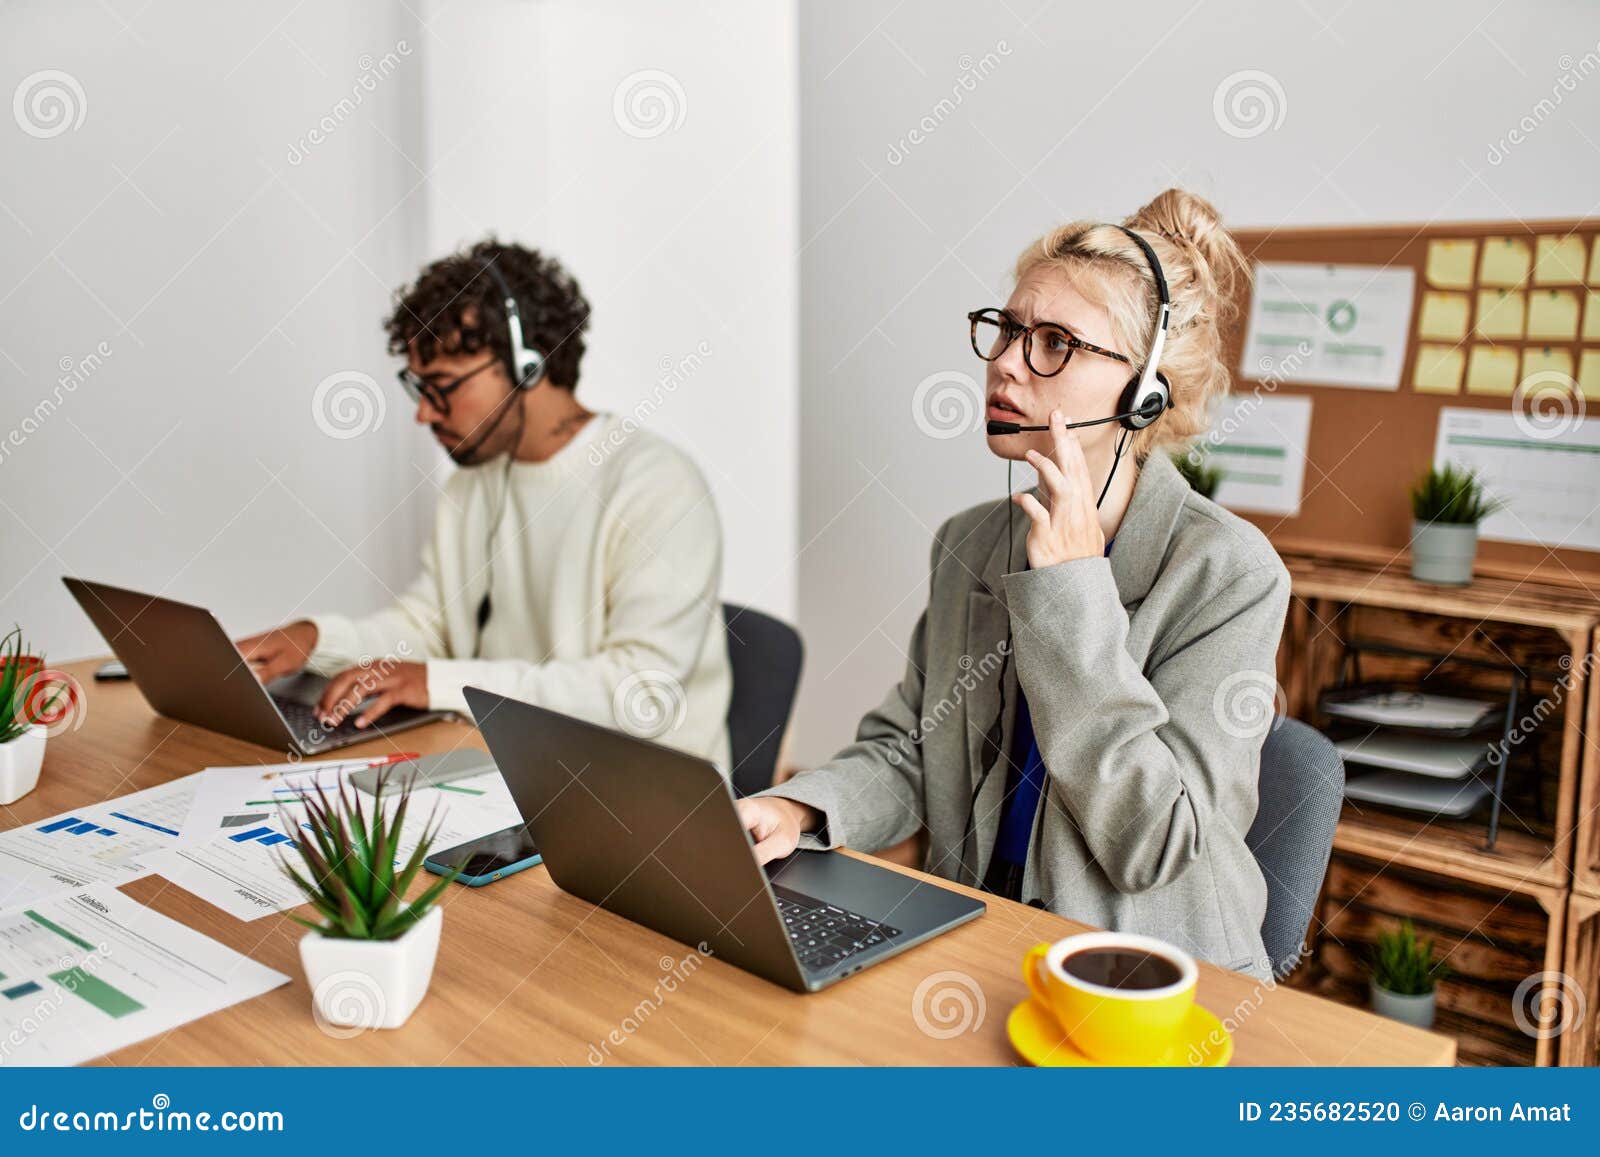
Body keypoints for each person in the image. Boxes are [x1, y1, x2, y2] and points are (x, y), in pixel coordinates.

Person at [735, 189, 1289, 979]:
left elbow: (1155, 842)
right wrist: (800, 806)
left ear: (1144, 391)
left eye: (1056, 342)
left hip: (1150, 989)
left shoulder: (1228, 573)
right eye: (1007, 329)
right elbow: (910, 749)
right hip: (982, 950)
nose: (1005, 362)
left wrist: (1072, 588)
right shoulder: (971, 544)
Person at [238, 240, 732, 769]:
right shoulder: (473, 485)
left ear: (528, 367)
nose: (424, 414)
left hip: (643, 796)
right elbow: (432, 626)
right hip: (509, 769)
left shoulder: (658, 485)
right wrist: (318, 640)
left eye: (443, 386)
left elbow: (642, 692)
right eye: (418, 387)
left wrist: (436, 681)